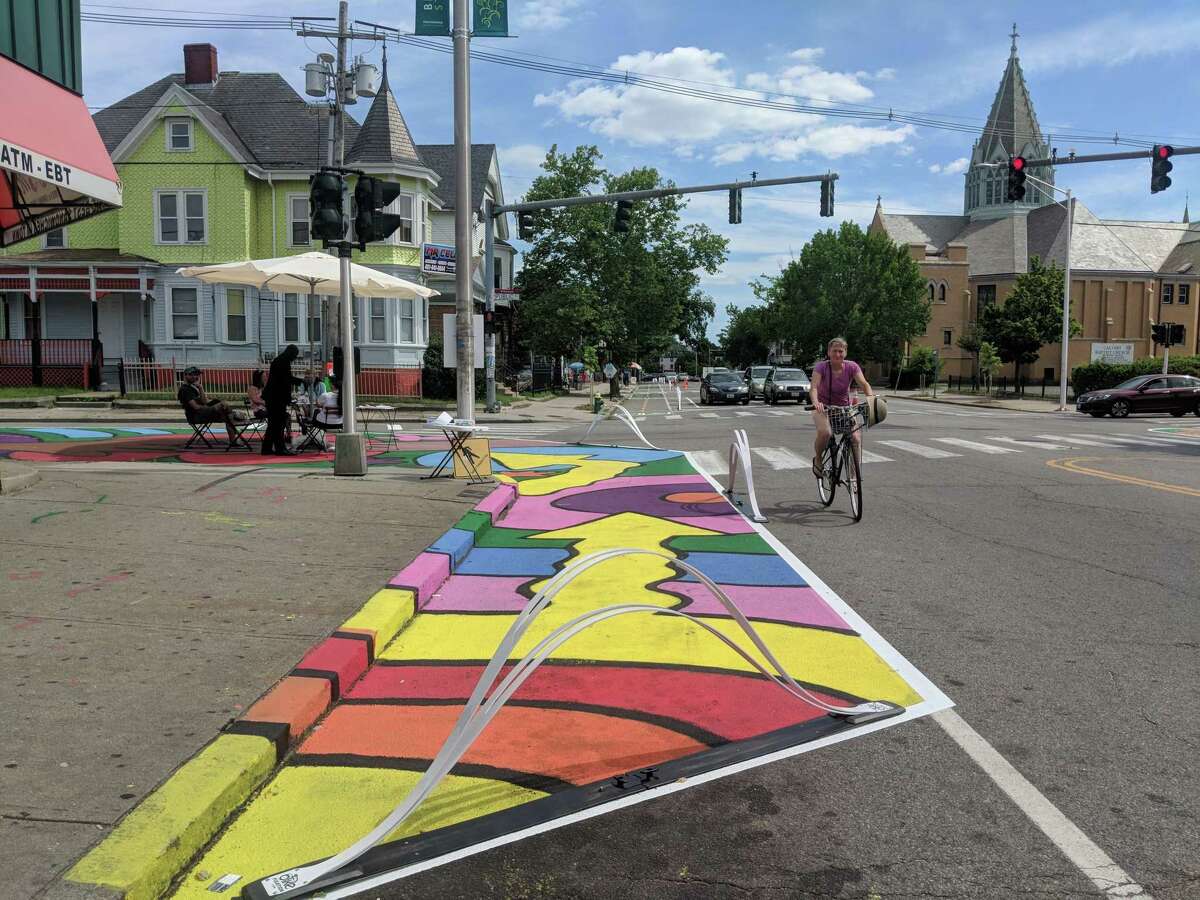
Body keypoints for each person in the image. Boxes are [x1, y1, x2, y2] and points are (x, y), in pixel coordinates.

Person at [809, 337, 874, 477]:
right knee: (825, 433)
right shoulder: (821, 367)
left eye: (841, 351)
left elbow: (864, 384)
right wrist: (816, 402)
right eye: (834, 351)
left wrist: (871, 399)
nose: (837, 354)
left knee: (856, 438)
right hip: (823, 407)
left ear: (845, 352)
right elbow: (813, 388)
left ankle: (853, 475)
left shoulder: (852, 366)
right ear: (828, 352)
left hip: (844, 408)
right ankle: (818, 459)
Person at [177, 366, 241, 445]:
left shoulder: (193, 387)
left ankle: (233, 439)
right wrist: (212, 407)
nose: (195, 377)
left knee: (228, 416)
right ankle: (237, 416)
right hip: (196, 416)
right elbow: (196, 407)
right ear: (186, 375)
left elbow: (204, 401)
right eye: (193, 374)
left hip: (203, 413)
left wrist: (200, 388)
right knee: (224, 407)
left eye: (197, 375)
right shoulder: (185, 389)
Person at [261, 344, 303, 456]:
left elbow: (285, 380)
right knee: (278, 424)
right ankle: (280, 448)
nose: (295, 358)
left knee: (273, 424)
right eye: (294, 355)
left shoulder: (279, 360)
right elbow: (286, 381)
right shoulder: (283, 362)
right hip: (276, 398)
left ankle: (267, 448)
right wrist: (301, 381)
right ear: (291, 353)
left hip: (273, 397)